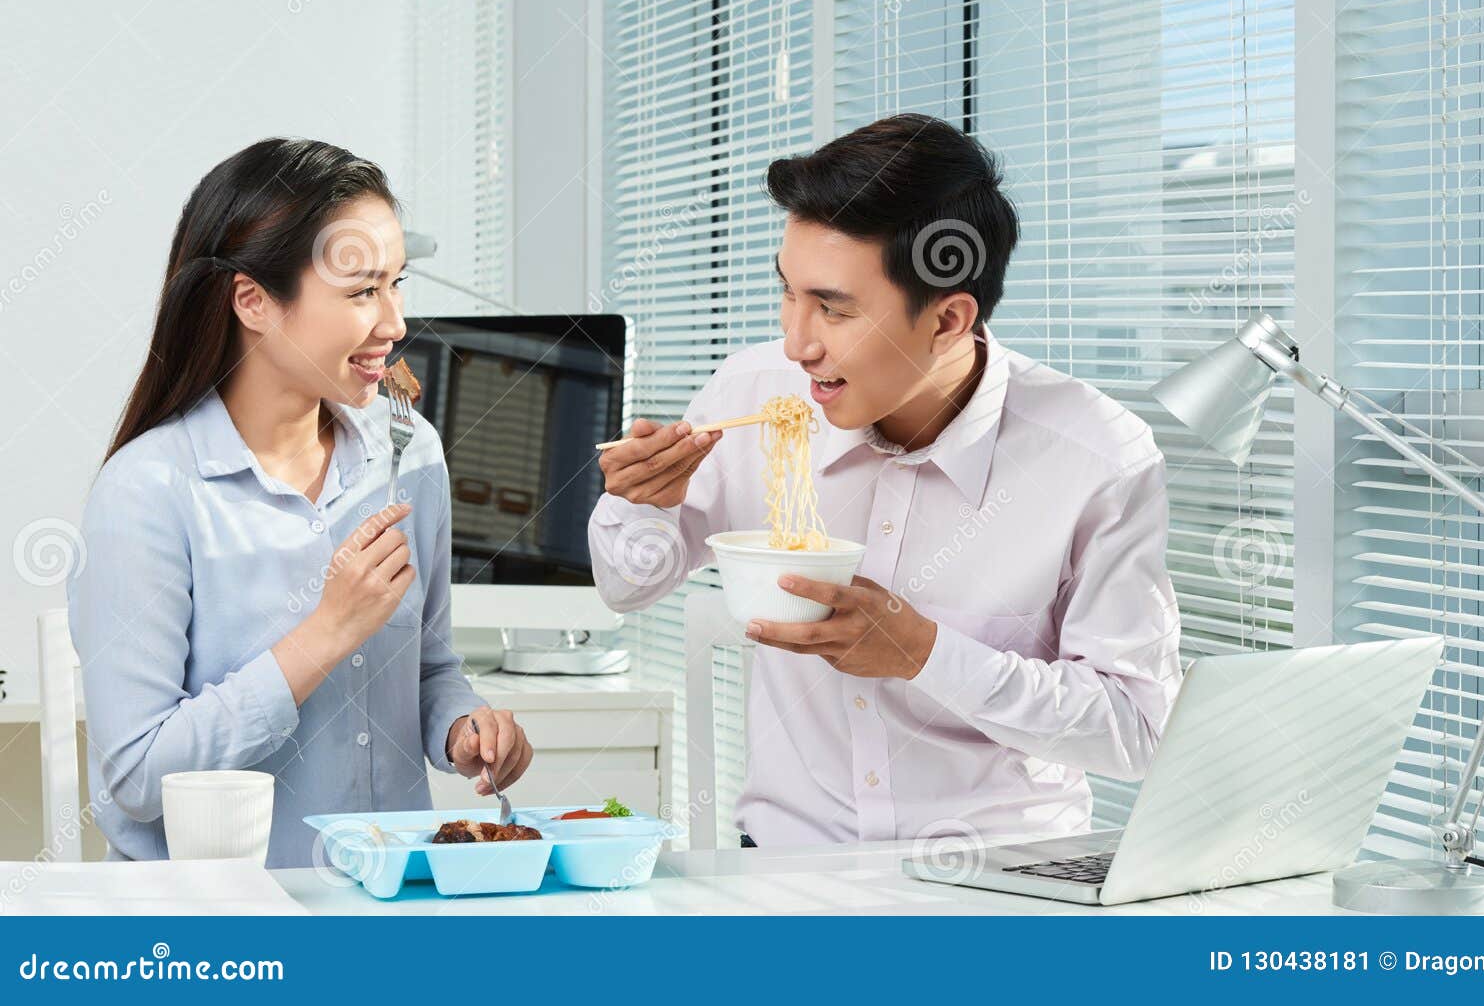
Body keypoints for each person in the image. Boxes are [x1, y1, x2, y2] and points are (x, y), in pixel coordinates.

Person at [589, 114, 1182, 848]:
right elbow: (627, 586)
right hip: (786, 872)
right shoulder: (751, 393)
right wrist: (639, 503)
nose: (796, 342)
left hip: (1009, 881)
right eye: (789, 294)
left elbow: (1137, 729)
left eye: (834, 309)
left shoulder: (1095, 458)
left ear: (948, 320)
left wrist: (927, 653)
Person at [68, 138, 531, 868]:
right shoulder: (148, 493)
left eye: (396, 284)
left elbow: (431, 666)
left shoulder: (410, 453)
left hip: (391, 904)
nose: (395, 323)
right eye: (360, 291)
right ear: (253, 300)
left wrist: (463, 728)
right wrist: (324, 634)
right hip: (225, 937)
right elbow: (138, 777)